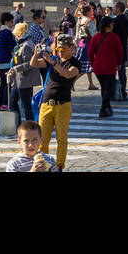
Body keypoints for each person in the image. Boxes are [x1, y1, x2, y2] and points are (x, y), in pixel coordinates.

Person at [32, 34, 82, 169]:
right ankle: (43, 165)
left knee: (61, 139)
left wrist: (53, 62)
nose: (60, 51)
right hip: (46, 104)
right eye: (58, 49)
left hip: (63, 106)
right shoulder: (54, 58)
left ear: (72, 48)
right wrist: (36, 53)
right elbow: (34, 64)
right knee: (42, 139)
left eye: (64, 49)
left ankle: (59, 165)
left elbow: (67, 74)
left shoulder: (75, 63)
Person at [90, 15, 124, 118]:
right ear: (109, 25)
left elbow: (90, 52)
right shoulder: (114, 37)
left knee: (104, 88)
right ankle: (102, 109)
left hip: (98, 67)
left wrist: (93, 64)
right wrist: (119, 63)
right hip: (109, 67)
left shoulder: (96, 37)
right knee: (108, 89)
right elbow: (120, 52)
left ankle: (108, 107)